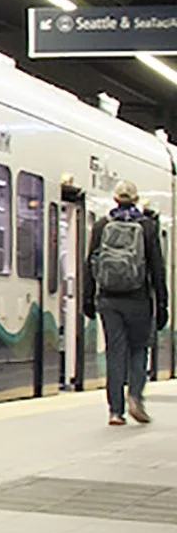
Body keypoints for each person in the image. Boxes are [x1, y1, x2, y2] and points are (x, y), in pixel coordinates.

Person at [84, 180, 168, 427]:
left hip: (108, 300)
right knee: (139, 349)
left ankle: (115, 411)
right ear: (136, 199)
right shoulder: (148, 227)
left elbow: (90, 264)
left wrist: (88, 298)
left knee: (115, 352)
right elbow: (157, 269)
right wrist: (162, 304)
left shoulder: (101, 225)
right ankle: (135, 397)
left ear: (115, 199)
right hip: (139, 300)